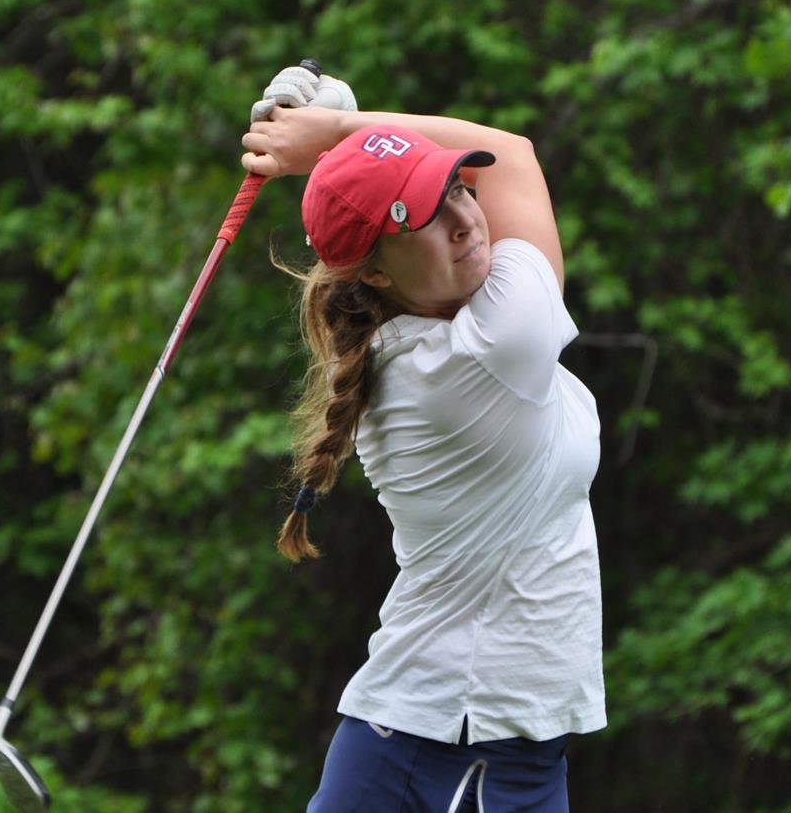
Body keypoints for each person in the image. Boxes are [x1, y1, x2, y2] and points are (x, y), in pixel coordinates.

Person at [240, 66, 605, 812]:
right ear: (374, 269)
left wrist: (342, 145)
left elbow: (497, 164)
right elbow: (518, 153)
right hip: (455, 744)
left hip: (480, 737)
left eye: (458, 191)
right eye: (424, 216)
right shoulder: (490, 345)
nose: (466, 219)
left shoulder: (413, 337)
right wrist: (338, 135)